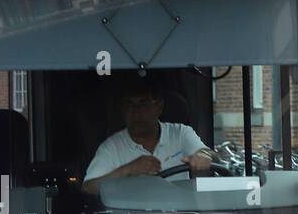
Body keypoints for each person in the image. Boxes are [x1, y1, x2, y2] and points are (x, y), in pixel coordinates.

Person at [82, 79, 214, 194]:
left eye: (143, 104)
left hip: (180, 213)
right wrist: (128, 170)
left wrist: (203, 156)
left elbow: (210, 154)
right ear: (122, 110)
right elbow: (89, 188)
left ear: (159, 107)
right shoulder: (112, 147)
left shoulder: (180, 133)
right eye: (129, 104)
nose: (136, 112)